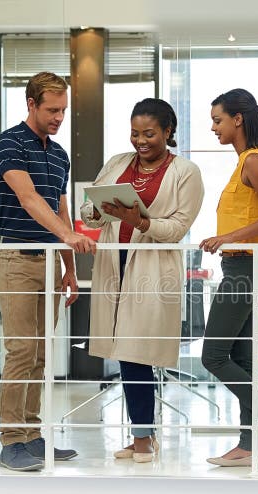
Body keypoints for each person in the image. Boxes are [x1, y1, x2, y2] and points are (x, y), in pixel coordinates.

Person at [80, 98, 204, 463]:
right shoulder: (117, 163)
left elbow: (178, 228)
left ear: (168, 131)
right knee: (124, 352)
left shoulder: (186, 172)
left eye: (149, 134)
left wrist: (141, 222)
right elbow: (88, 214)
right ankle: (141, 437)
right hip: (113, 265)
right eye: (135, 133)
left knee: (136, 352)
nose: (140, 141)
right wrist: (100, 208)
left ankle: (144, 436)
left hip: (152, 269)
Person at [0, 71, 96, 471]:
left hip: (51, 262)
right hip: (16, 259)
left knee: (40, 353)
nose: (59, 117)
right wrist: (68, 236)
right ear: (31, 104)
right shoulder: (9, 143)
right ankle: (11, 441)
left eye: (63, 110)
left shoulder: (59, 154)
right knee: (21, 350)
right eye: (52, 110)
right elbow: (29, 198)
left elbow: (60, 209)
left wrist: (70, 268)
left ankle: (32, 436)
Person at [199, 88, 258, 467]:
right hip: (242, 268)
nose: (213, 128)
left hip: (247, 269)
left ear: (238, 119)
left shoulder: (254, 161)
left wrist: (228, 237)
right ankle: (246, 445)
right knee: (240, 357)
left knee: (213, 356)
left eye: (217, 120)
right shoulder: (245, 162)